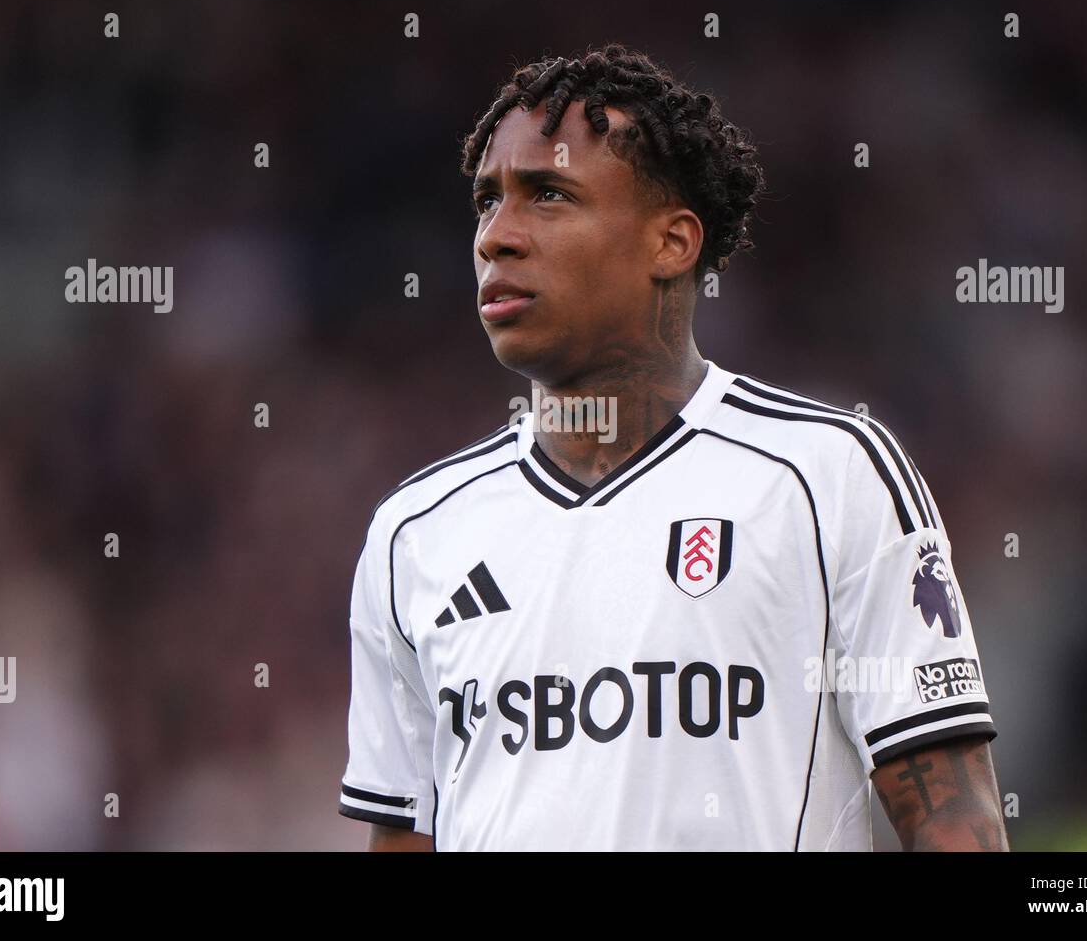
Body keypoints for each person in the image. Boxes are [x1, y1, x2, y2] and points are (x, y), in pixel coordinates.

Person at [339, 43, 1007, 851]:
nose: (495, 237)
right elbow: (403, 837)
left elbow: (952, 817)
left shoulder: (827, 477)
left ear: (672, 243)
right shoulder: (415, 535)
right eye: (487, 201)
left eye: (547, 195)